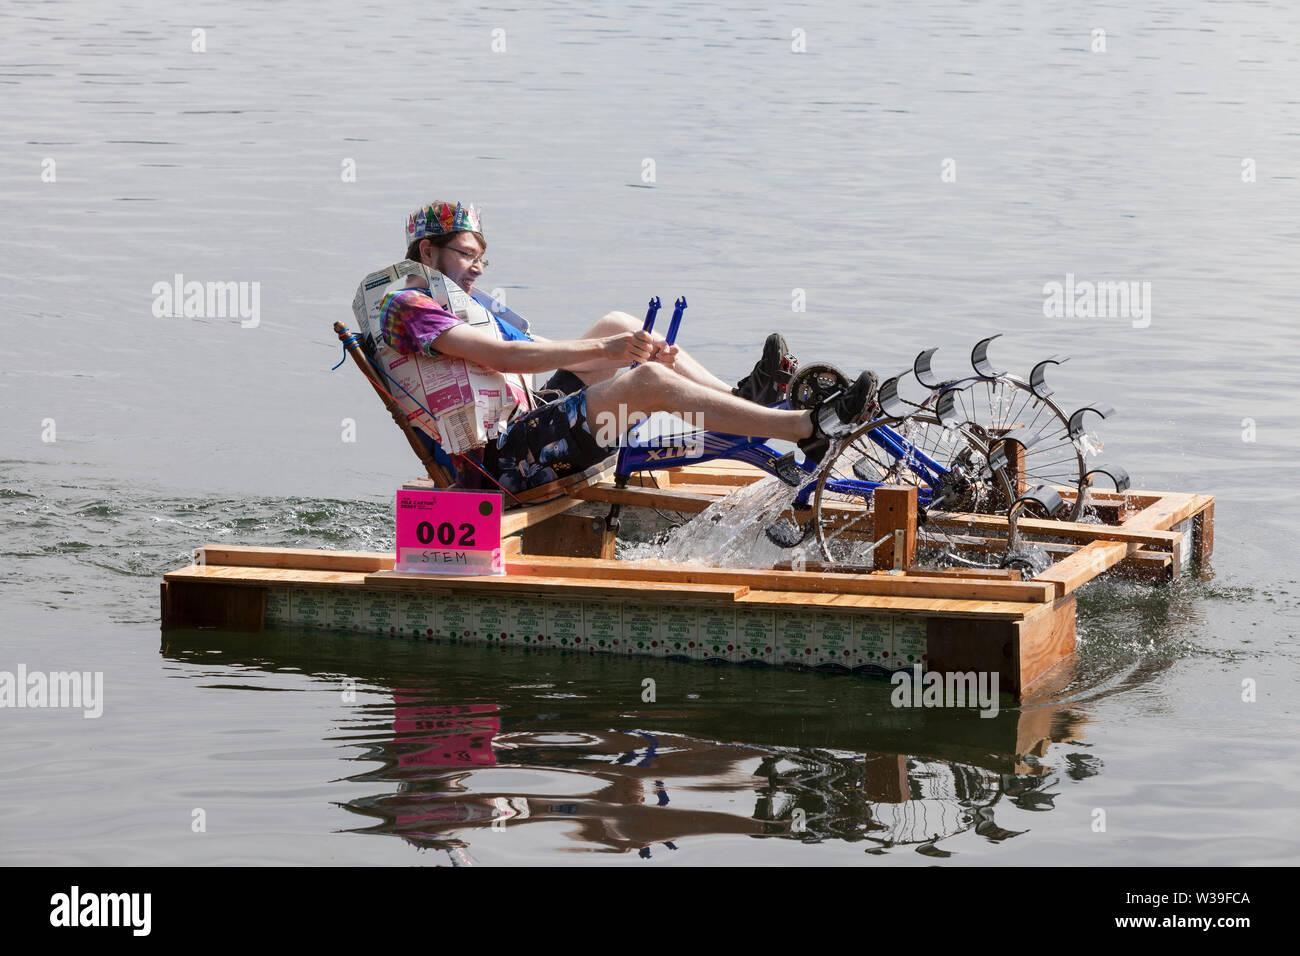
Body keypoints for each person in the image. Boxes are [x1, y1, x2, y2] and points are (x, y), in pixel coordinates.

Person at [381, 200, 878, 496]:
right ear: (427, 252)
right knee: (647, 381)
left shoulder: (454, 301)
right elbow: (506, 359)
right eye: (467, 255)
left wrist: (619, 345)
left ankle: (747, 398)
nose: (478, 269)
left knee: (622, 324)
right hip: (503, 465)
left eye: (482, 259)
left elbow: (534, 350)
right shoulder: (408, 307)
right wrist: (613, 352)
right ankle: (806, 428)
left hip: (531, 424)